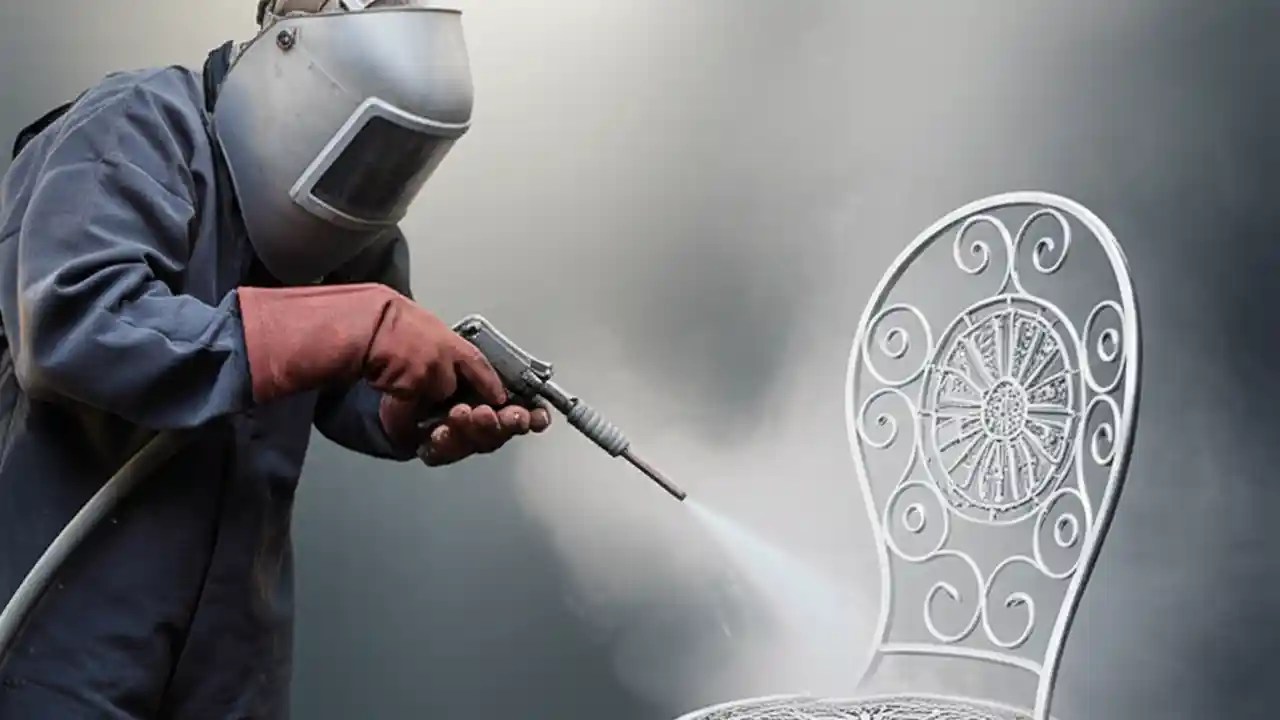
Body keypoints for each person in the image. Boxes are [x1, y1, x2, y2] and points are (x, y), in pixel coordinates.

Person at [0, 1, 550, 717]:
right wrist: (348, 326)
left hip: (235, 661)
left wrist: (415, 403)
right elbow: (74, 324)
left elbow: (350, 382)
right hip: (60, 638)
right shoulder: (138, 125)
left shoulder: (342, 190)